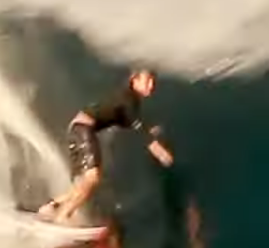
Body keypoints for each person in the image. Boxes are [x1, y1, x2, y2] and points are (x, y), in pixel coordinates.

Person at [37, 68, 174, 224]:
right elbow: (140, 131)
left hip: (79, 129)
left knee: (85, 182)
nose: (151, 85)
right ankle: (63, 216)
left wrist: (149, 130)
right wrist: (161, 153)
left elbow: (126, 121)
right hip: (83, 129)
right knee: (92, 178)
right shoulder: (128, 99)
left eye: (153, 82)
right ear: (134, 80)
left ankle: (51, 206)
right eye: (147, 81)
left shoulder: (128, 99)